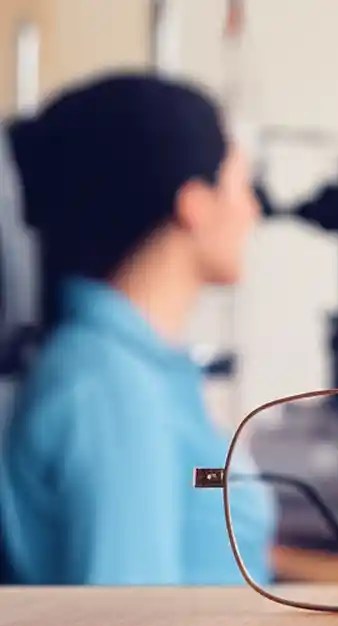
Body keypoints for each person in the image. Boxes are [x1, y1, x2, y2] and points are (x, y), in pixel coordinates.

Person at [0, 73, 273, 584]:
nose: (252, 210)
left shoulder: (140, 368)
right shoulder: (106, 388)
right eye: (240, 184)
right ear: (193, 204)